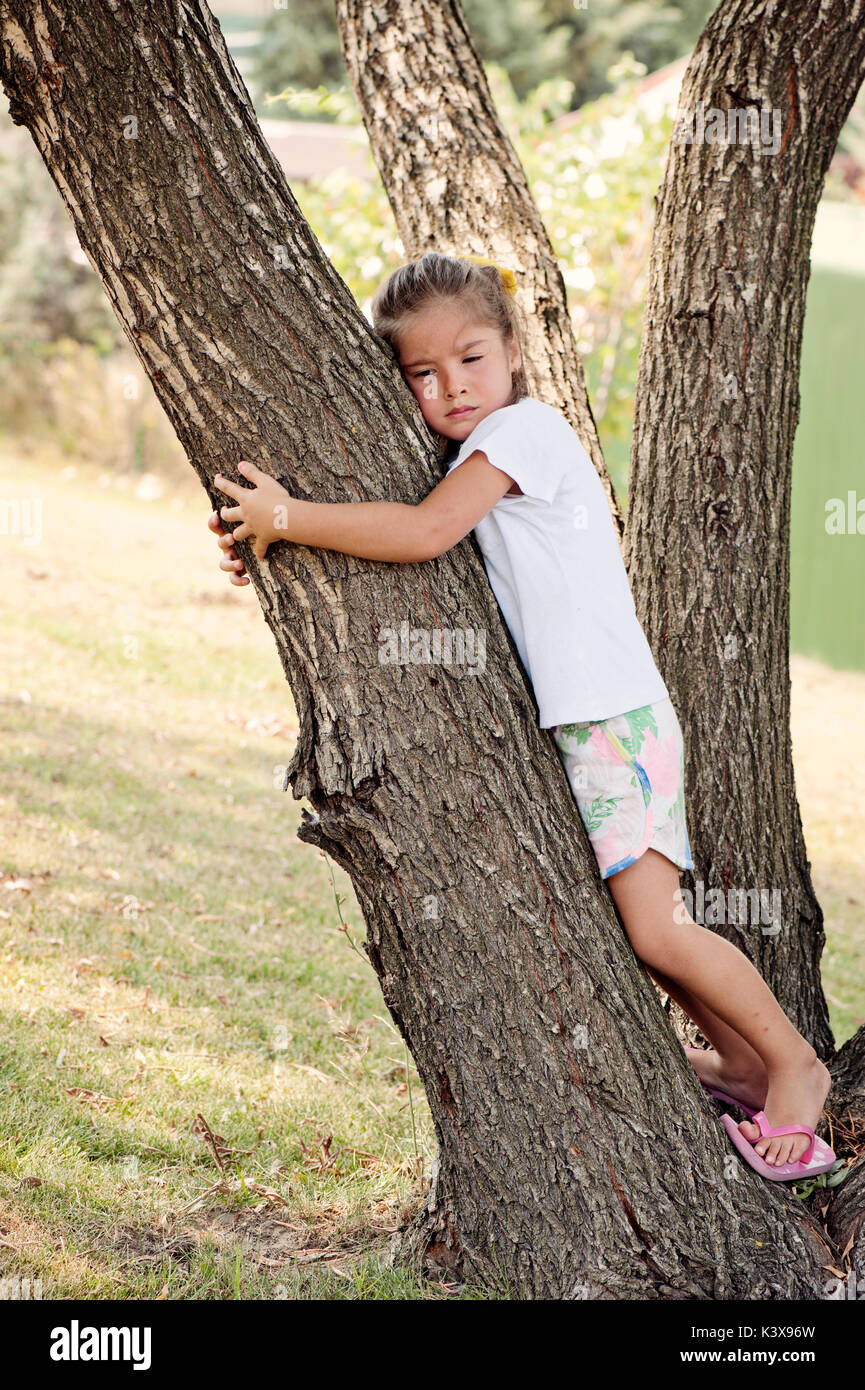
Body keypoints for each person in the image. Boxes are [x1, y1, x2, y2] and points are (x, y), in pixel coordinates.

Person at [208, 251, 834, 1182]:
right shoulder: (477, 456)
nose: (450, 386)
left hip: (615, 723)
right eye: (422, 373)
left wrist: (291, 518)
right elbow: (410, 526)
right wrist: (274, 544)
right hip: (586, 726)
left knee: (658, 930)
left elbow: (421, 534)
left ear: (510, 349)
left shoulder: (526, 431)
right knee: (640, 929)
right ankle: (742, 1067)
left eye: (469, 358)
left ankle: (793, 1067)